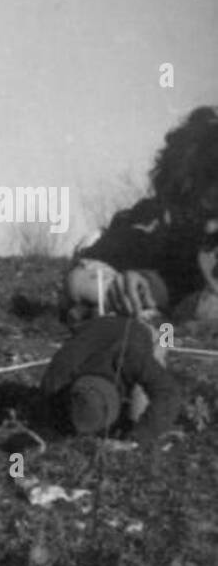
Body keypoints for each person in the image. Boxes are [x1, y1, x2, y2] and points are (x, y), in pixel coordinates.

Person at [64, 106, 218, 321]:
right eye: (198, 213)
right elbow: (82, 279)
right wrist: (114, 290)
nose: (210, 227)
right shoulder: (154, 230)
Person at [40, 315, 182, 447]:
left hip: (140, 329)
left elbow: (168, 391)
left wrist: (137, 440)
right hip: (96, 324)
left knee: (138, 406)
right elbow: (49, 395)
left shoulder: (132, 358)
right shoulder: (61, 370)